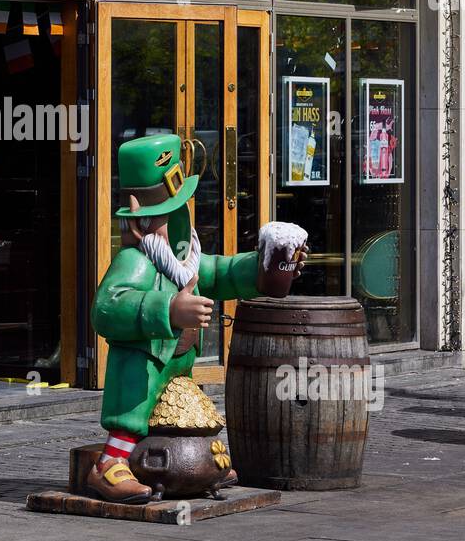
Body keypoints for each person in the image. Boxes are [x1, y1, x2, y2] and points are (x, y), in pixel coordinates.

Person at [89, 132, 306, 504]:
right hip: (146, 361)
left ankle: (192, 463)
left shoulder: (183, 260)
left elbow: (220, 272)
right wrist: (168, 310)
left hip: (177, 362)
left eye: (181, 208)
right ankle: (111, 462)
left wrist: (263, 268)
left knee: (185, 409)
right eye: (168, 212)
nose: (178, 221)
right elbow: (107, 309)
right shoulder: (135, 262)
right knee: (135, 399)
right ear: (140, 219)